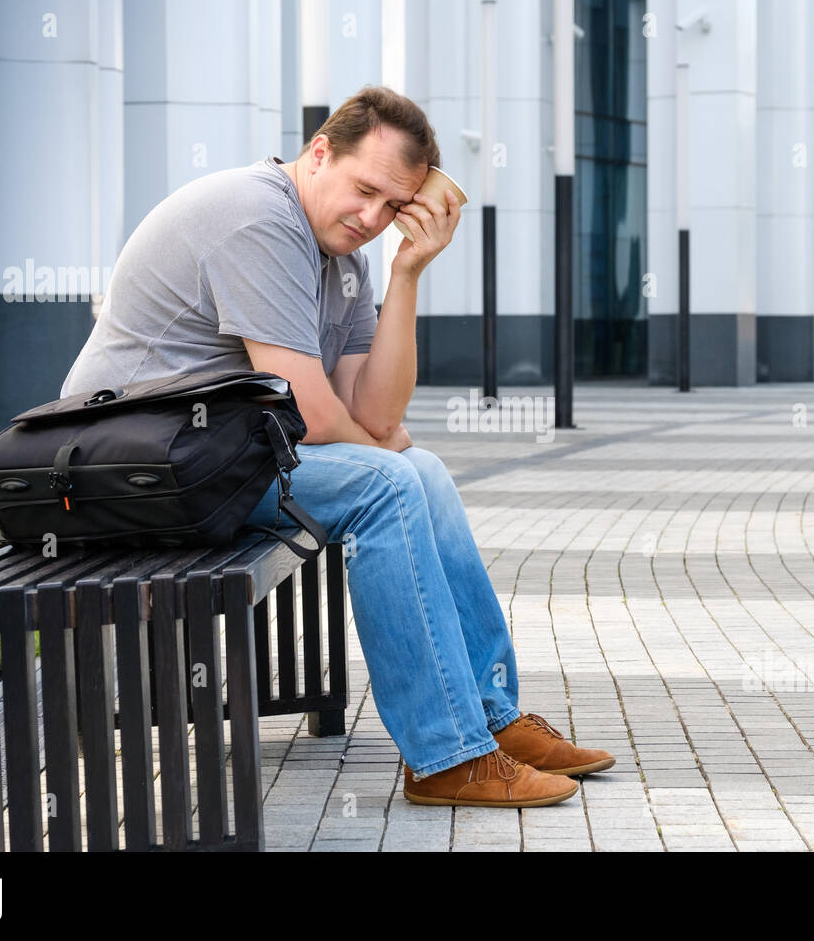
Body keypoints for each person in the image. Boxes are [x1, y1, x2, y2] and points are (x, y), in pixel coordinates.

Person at [60, 85, 614, 808]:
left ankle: (490, 717)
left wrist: (407, 270)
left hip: (211, 459)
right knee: (389, 483)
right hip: (133, 470)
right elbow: (318, 420)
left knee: (423, 470)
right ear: (319, 151)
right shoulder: (255, 218)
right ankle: (446, 755)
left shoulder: (345, 259)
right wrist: (382, 446)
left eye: (393, 206)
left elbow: (375, 413)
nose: (372, 216)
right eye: (364, 190)